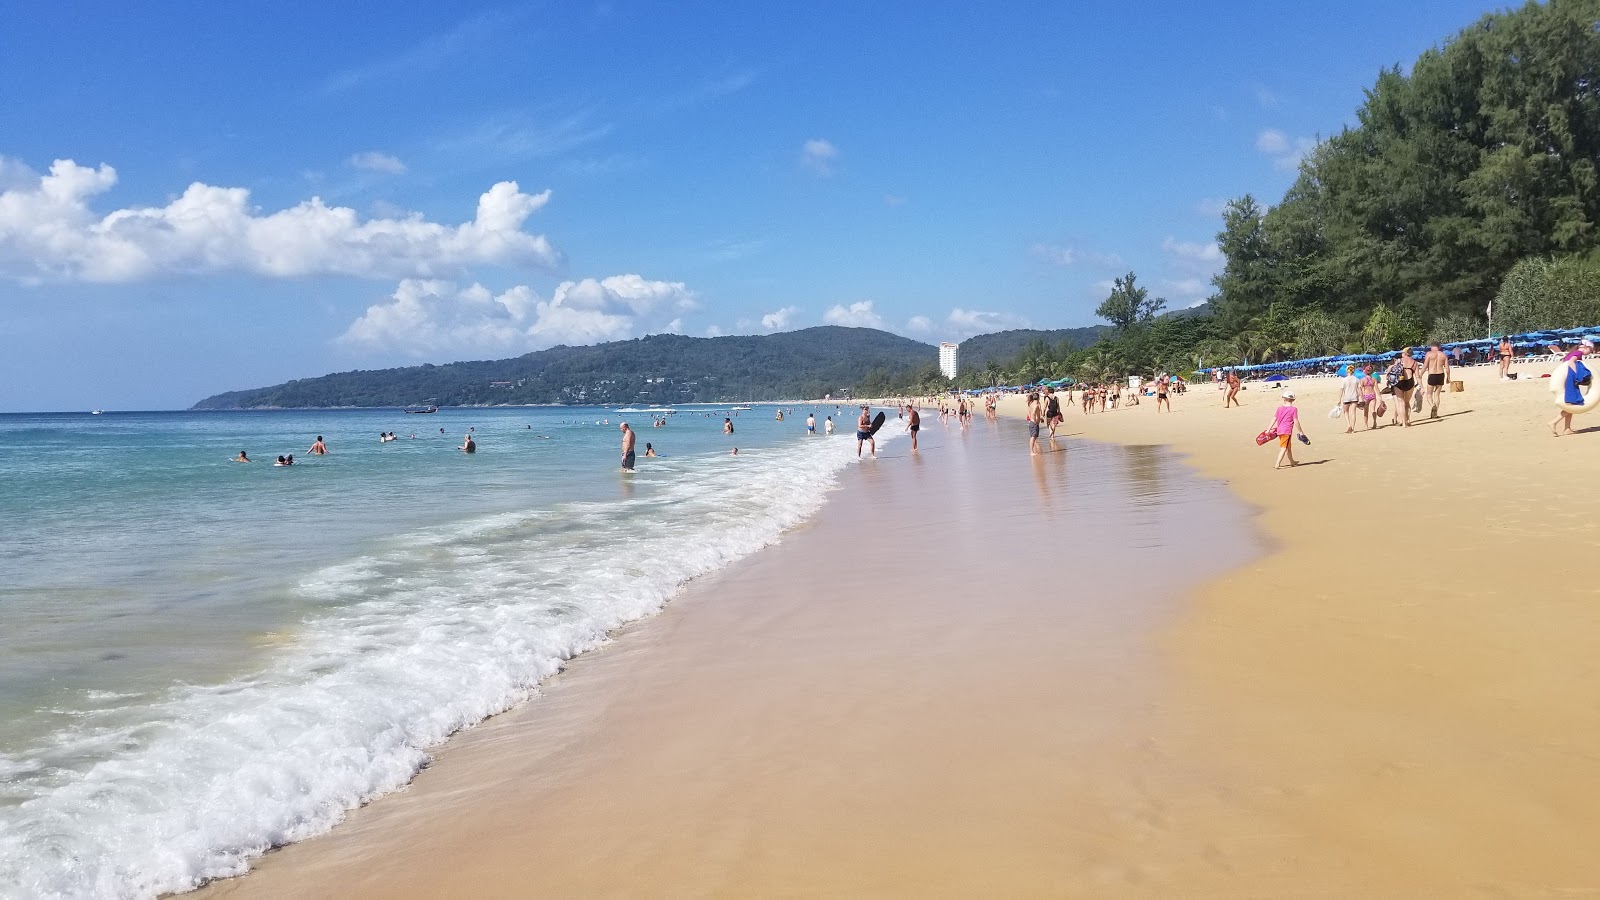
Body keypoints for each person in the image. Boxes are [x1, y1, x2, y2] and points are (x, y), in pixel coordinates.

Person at [1549, 339, 1595, 436]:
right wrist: (1577, 374)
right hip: (1570, 381)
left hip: (1566, 380)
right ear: (1586, 347)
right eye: (1590, 351)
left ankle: (1567, 428)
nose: (1589, 353)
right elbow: (1571, 362)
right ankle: (1554, 422)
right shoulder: (1578, 353)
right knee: (1575, 402)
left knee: (1570, 404)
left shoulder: (1573, 352)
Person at [1270, 390, 1307, 469]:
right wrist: (1301, 432)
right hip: (1286, 431)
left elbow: (1274, 418)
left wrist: (1268, 429)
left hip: (1279, 430)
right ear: (1293, 400)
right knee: (1284, 448)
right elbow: (1295, 421)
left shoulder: (1279, 408)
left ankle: (1292, 462)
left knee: (1288, 447)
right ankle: (1277, 464)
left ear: (1284, 398)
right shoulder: (1293, 409)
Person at [1387, 348, 1419, 427]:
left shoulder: (1398, 361)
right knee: (1407, 402)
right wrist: (1421, 386)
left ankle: (1404, 423)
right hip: (1409, 381)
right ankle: (1408, 420)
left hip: (1399, 381)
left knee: (1401, 403)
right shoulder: (1414, 362)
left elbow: (1392, 371)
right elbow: (1418, 376)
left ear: (1404, 353)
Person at [1422, 342, 1451, 419]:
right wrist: (1448, 378)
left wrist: (1420, 375)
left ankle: (1432, 406)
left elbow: (1425, 365)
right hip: (1441, 374)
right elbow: (1447, 367)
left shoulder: (1429, 354)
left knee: (1429, 395)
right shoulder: (1443, 355)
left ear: (1431, 347)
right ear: (1439, 347)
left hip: (1432, 374)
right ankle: (1436, 413)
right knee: (1437, 395)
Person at [1339, 366, 1361, 433]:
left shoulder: (1344, 379)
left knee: (1346, 412)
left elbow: (1341, 390)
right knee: (1353, 412)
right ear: (1353, 371)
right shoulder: (1357, 379)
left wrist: (1339, 399)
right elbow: (1359, 389)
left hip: (1347, 397)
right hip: (1354, 397)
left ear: (1347, 371)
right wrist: (1360, 397)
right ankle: (1353, 428)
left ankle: (1349, 425)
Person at [1358, 365, 1380, 430]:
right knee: (1373, 410)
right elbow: (1377, 388)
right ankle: (1374, 422)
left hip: (1366, 396)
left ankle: (1366, 425)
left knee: (1366, 411)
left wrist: (1360, 397)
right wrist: (1379, 396)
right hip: (1373, 395)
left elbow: (1360, 389)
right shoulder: (1374, 379)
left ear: (1365, 371)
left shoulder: (1362, 379)